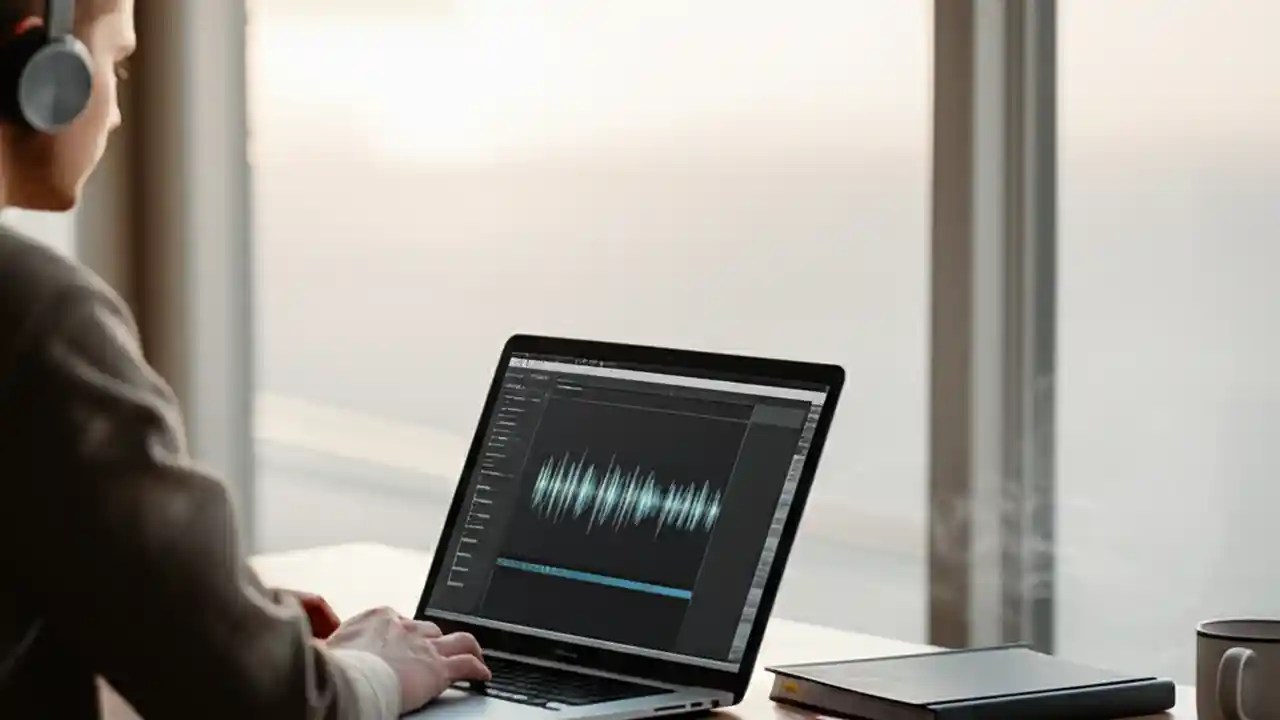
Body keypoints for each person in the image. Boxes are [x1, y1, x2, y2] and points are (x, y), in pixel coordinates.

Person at [0, 0, 492, 717]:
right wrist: (374, 671)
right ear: (44, 68)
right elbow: (268, 705)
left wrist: (203, 620)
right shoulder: (34, 315)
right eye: (118, 60)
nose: (114, 110)